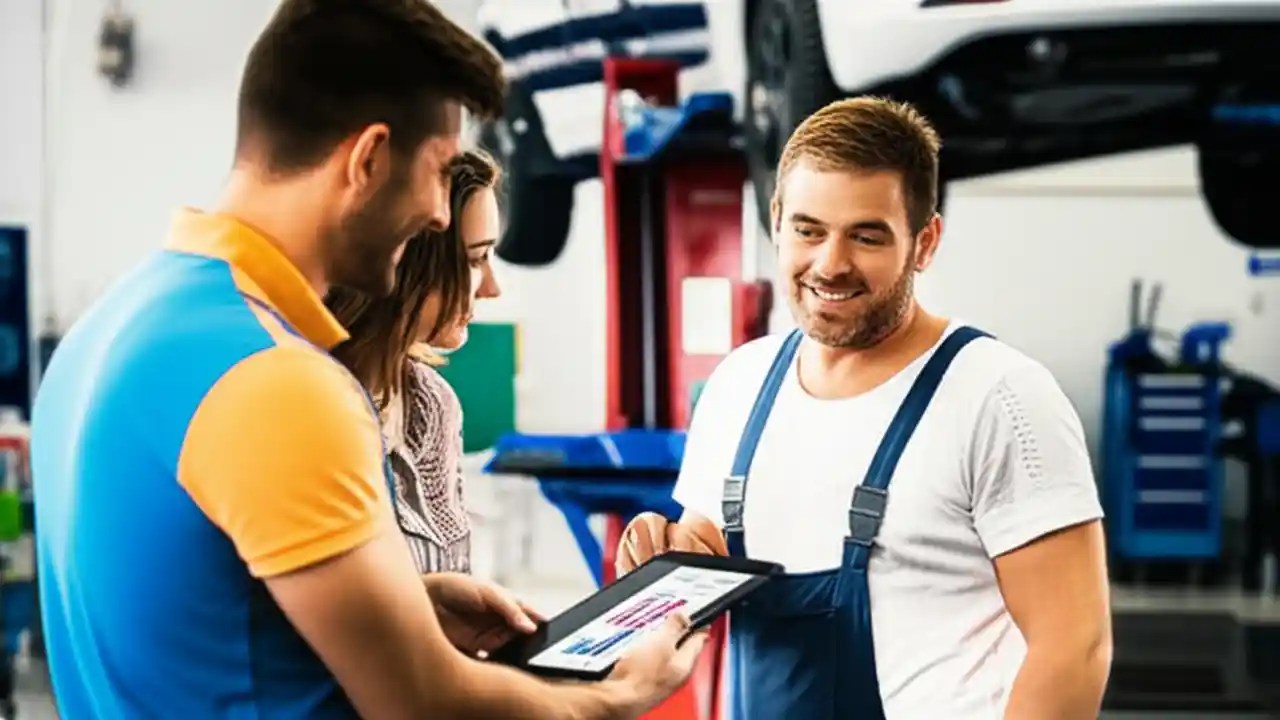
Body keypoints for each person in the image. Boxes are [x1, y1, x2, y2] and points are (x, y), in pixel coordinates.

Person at [30, 2, 705, 718]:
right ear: (369, 159)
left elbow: (192, 614)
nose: (440, 215)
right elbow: (424, 703)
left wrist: (404, 604)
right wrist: (615, 696)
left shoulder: (106, 331)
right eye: (438, 173)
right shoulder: (279, 383)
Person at [617, 97, 1112, 719]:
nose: (831, 264)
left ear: (924, 242)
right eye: (809, 230)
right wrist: (665, 553)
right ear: (777, 222)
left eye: (866, 236)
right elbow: (717, 549)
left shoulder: (1000, 397)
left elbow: (1074, 647)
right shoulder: (739, 384)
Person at [326, 148, 502, 575]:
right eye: (475, 259)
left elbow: (451, 579)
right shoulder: (308, 401)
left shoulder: (431, 403)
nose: (491, 288)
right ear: (407, 259)